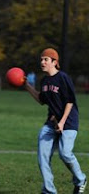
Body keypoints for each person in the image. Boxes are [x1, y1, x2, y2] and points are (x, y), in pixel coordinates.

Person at [25, 48, 87, 194]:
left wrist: (62, 122)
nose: (42, 62)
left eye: (46, 59)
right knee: (43, 156)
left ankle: (80, 179)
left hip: (69, 122)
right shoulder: (45, 80)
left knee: (65, 153)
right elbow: (42, 100)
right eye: (41, 59)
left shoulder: (63, 78)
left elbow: (70, 101)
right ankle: (48, 190)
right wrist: (27, 86)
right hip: (51, 123)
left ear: (54, 62)